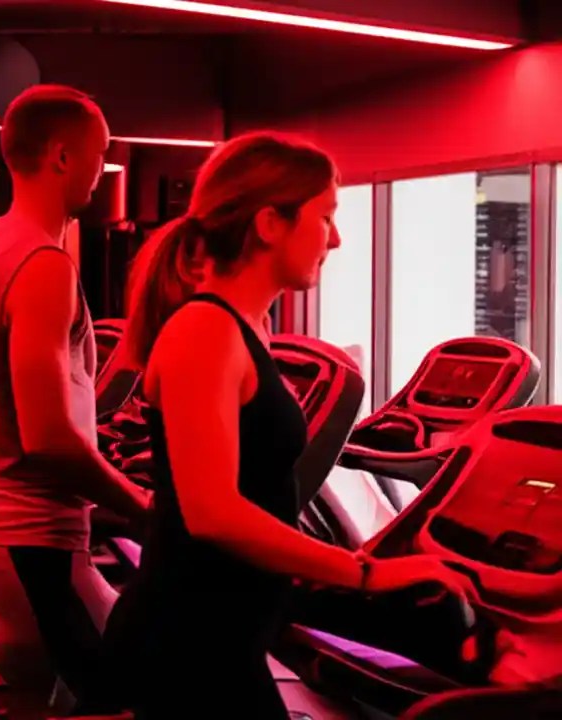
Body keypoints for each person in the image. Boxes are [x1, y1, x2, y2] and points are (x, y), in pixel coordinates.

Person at [96, 132, 476, 718]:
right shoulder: (206, 331)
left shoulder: (245, 330)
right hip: (185, 646)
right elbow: (214, 513)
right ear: (271, 222)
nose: (338, 238)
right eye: (325, 217)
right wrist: (367, 574)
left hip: (225, 635)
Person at [0, 85, 149, 712]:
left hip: (1, 530)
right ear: (61, 157)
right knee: (123, 695)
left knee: (21, 698)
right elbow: (48, 436)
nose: (103, 176)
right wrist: (141, 505)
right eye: (99, 157)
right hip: (34, 538)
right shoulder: (44, 264)